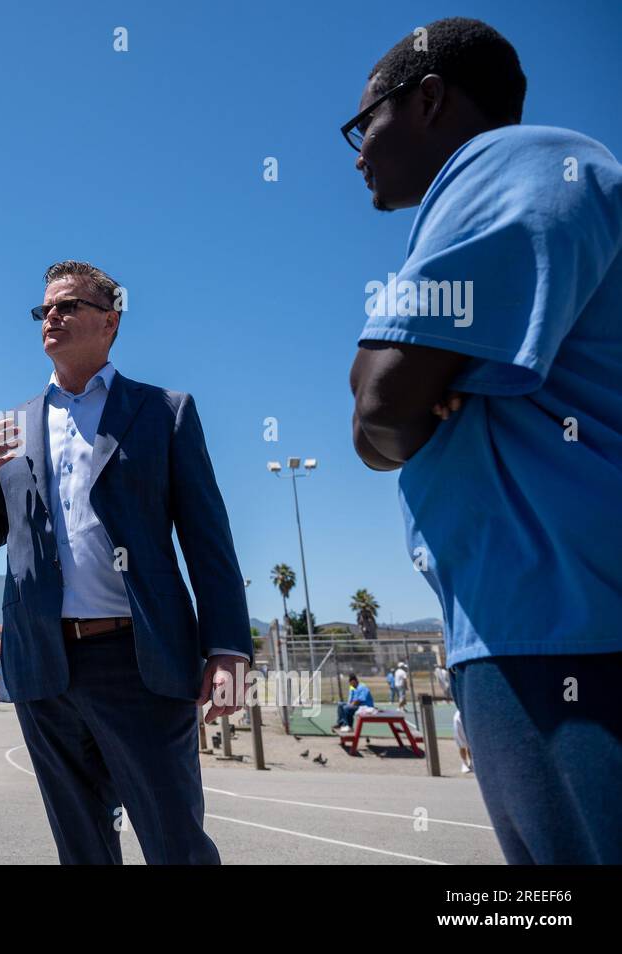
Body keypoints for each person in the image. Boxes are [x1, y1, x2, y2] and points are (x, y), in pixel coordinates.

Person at [347, 17, 622, 863]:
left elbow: (377, 409)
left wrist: (418, 385)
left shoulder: (509, 163)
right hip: (540, 622)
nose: (357, 153)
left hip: (564, 627)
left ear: (429, 99)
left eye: (364, 125)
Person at [0, 260, 252, 865]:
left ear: (110, 322)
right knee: (82, 848)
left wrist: (228, 650)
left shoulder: (164, 413)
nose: (51, 318)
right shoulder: (13, 431)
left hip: (137, 662)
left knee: (175, 843)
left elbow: (208, 541)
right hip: (44, 666)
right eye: (44, 310)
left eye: (67, 306)